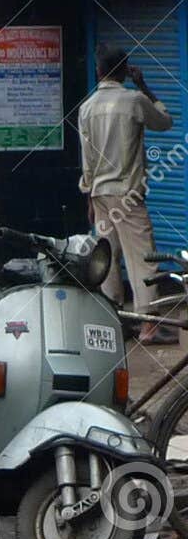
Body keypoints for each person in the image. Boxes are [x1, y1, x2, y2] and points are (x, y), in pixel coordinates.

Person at [80, 47, 176, 345]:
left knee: (107, 257)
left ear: (99, 71)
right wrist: (144, 86)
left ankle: (114, 322)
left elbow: (87, 160)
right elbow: (165, 121)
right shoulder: (134, 100)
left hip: (100, 194)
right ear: (125, 71)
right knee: (143, 259)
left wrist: (89, 197)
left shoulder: (87, 108)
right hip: (128, 195)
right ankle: (149, 327)